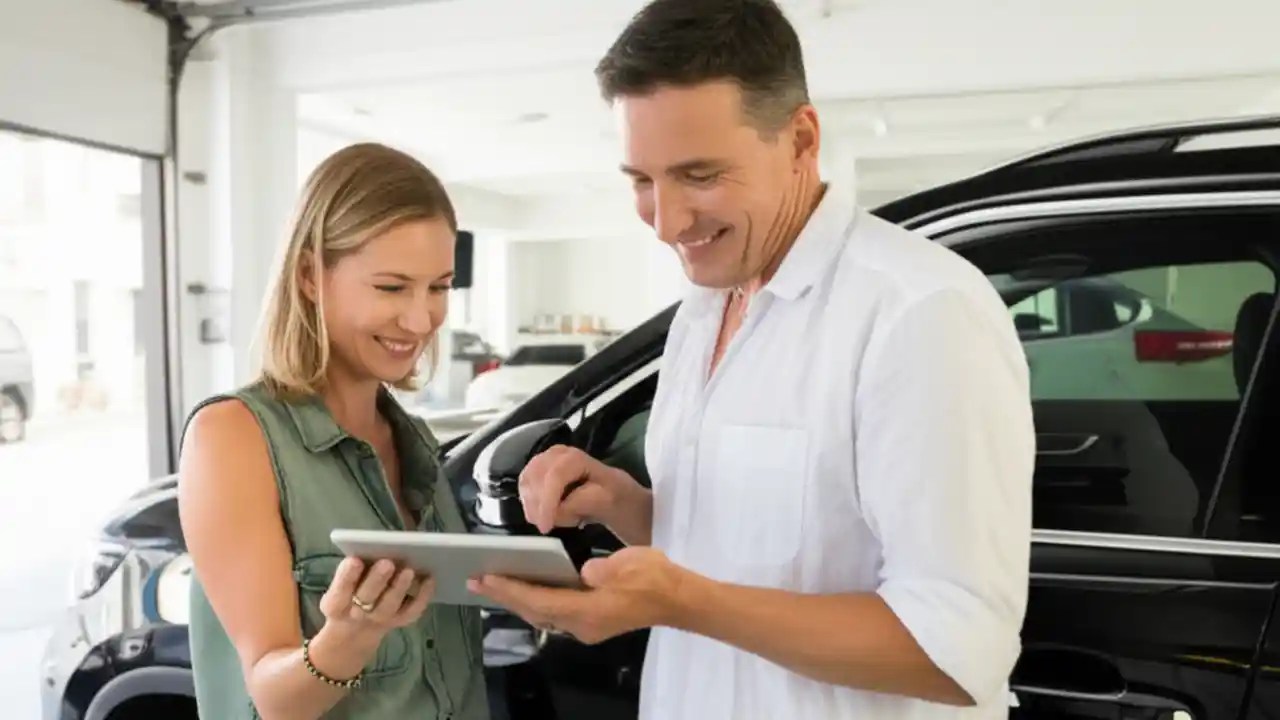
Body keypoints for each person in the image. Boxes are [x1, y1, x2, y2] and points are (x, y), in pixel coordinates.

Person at [467, 1, 1034, 718]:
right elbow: (748, 547)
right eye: (642, 180)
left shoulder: (920, 312)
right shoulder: (706, 308)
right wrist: (625, 506)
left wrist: (687, 603)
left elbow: (958, 652)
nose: (667, 222)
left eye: (699, 175)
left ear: (800, 140)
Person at [178, 143, 489, 720]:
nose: (421, 320)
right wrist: (347, 638)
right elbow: (271, 698)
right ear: (310, 276)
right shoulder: (233, 437)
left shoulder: (413, 439)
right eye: (392, 288)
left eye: (439, 287)